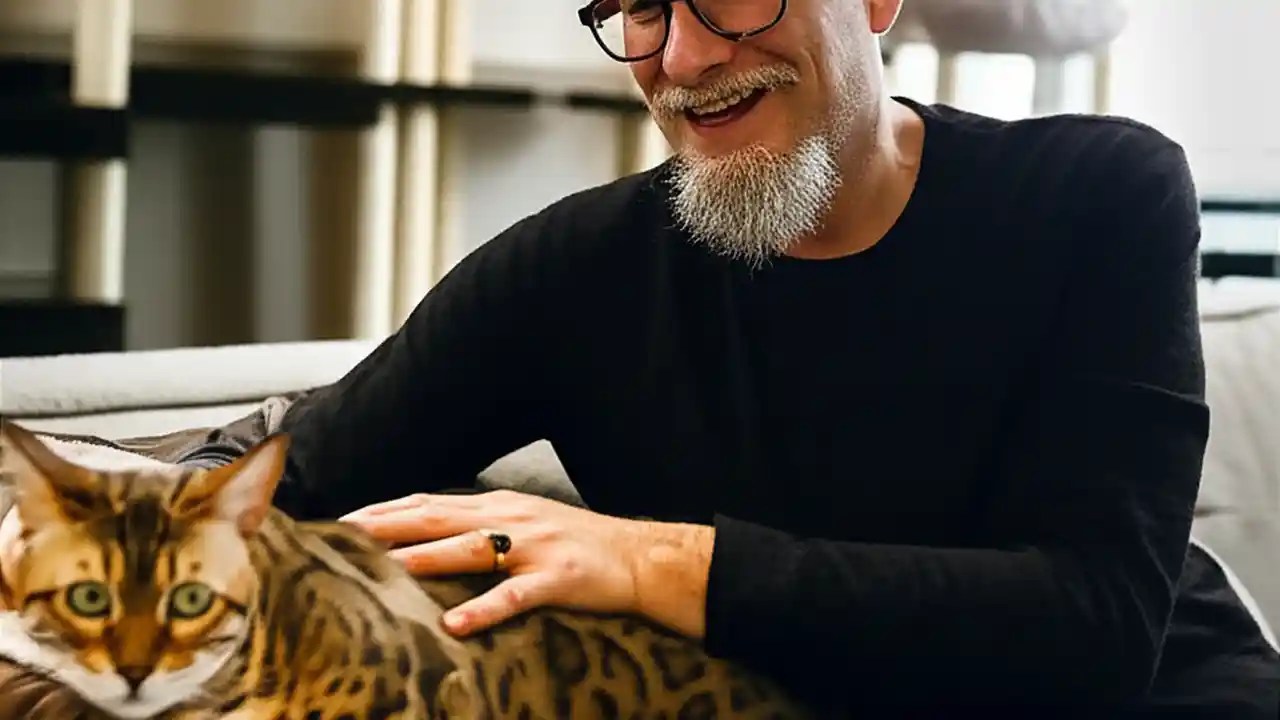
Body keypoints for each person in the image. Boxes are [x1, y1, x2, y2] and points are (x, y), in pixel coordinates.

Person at [1, 0, 1278, 715]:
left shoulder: (1097, 194)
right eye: (635, 9)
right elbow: (298, 463)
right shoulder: (576, 271)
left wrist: (657, 559)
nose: (681, 57)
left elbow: (1094, 629)